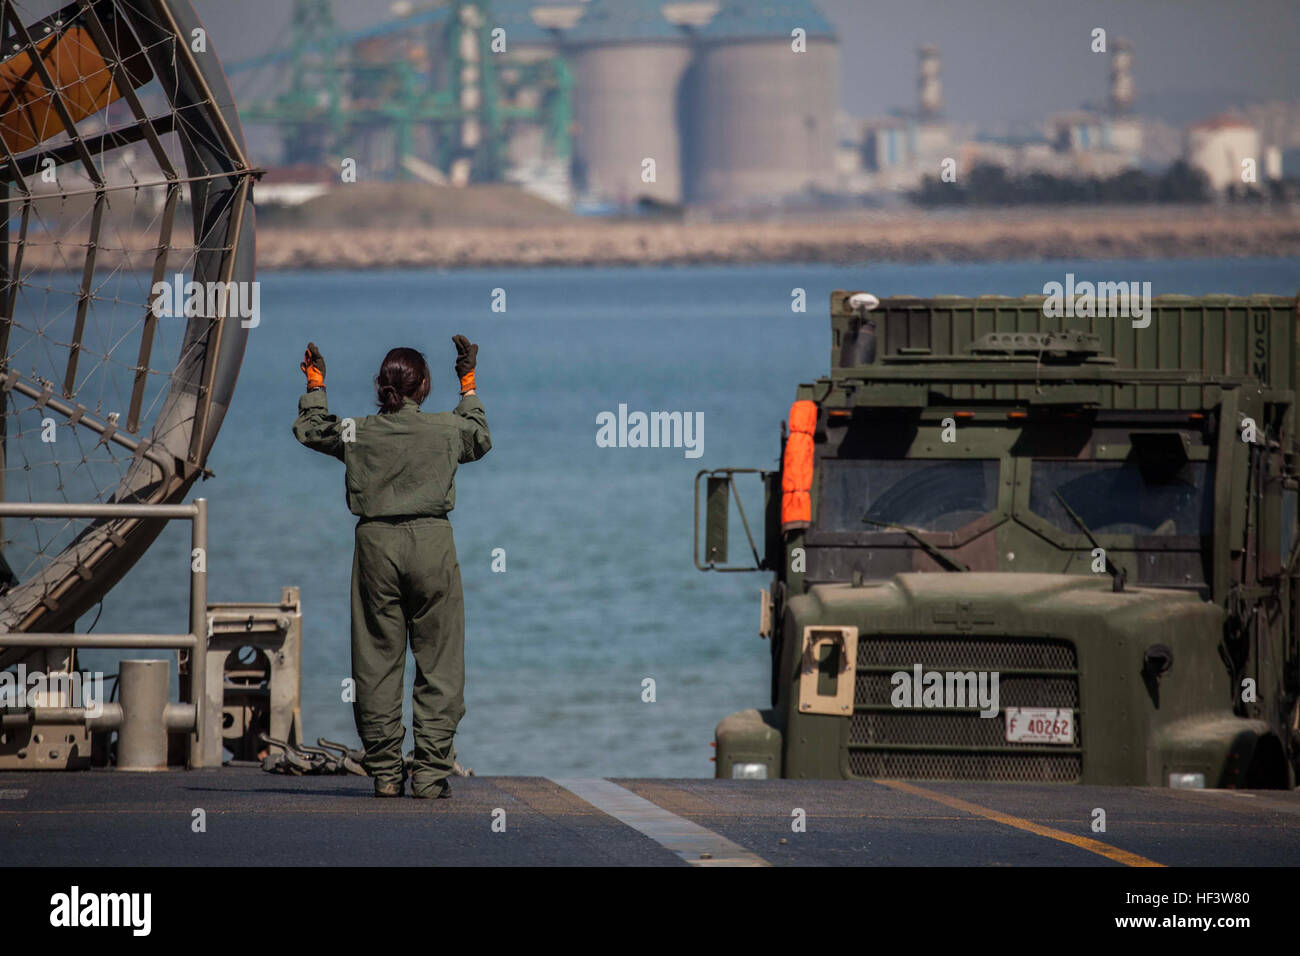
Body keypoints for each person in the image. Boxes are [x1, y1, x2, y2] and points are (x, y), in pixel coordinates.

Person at [293, 336, 491, 799]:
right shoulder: (446, 430)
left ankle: (385, 773)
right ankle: (429, 775)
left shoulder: (358, 432)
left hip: (375, 547)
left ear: (382, 388)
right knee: (440, 663)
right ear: (423, 388)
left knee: (376, 661)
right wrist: (468, 383)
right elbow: (479, 436)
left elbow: (311, 429)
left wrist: (316, 383)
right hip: (432, 544)